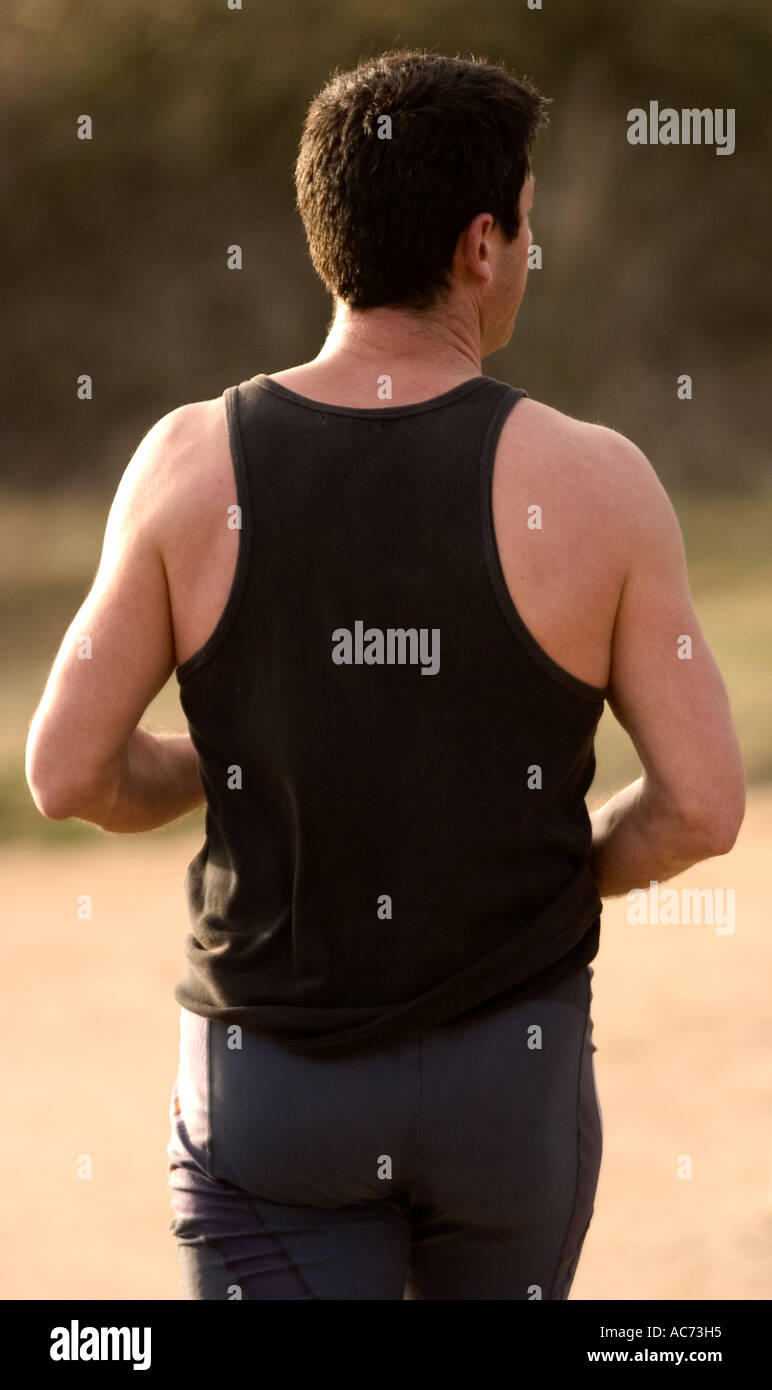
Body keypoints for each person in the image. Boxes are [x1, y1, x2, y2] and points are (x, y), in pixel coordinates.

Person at [25, 51, 745, 1300]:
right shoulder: (599, 483)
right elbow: (703, 806)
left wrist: (238, 754)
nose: (530, 254)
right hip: (507, 1088)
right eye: (527, 226)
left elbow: (67, 768)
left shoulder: (188, 464)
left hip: (273, 1089)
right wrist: (553, 877)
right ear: (480, 244)